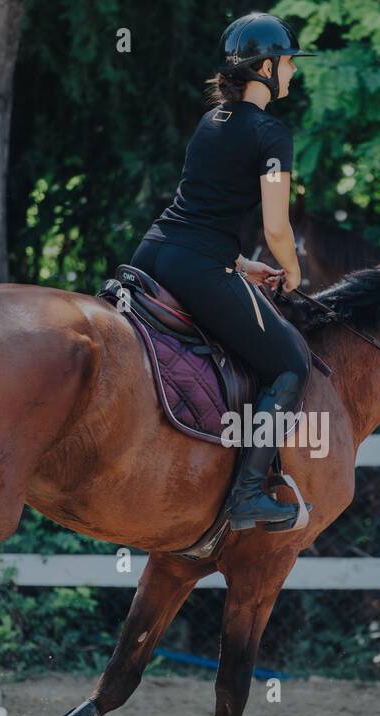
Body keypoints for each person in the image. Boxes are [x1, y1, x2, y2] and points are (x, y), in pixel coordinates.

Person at [129, 12, 316, 529]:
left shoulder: (210, 122)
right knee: (290, 365)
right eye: (288, 64)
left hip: (154, 252)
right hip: (196, 266)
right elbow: (277, 228)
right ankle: (248, 495)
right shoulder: (271, 133)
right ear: (266, 67)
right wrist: (292, 272)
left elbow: (200, 208)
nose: (293, 74)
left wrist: (242, 264)